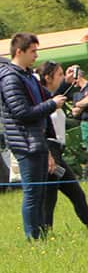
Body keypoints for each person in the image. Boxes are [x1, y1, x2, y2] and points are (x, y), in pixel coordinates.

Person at [0, 33, 70, 239]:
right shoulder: (10, 78)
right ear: (19, 52)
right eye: (32, 51)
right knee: (32, 193)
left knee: (40, 193)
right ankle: (33, 237)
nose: (36, 56)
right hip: (24, 142)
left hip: (37, 140)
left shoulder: (28, 76)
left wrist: (65, 84)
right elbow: (22, 112)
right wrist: (51, 105)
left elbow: (47, 97)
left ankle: (42, 235)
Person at [35, 62, 88, 230]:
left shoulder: (51, 96)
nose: (63, 77)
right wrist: (49, 156)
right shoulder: (42, 99)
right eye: (60, 74)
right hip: (50, 151)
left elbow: (54, 95)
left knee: (76, 193)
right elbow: (46, 104)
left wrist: (67, 81)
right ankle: (45, 232)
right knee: (50, 196)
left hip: (57, 152)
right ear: (48, 78)